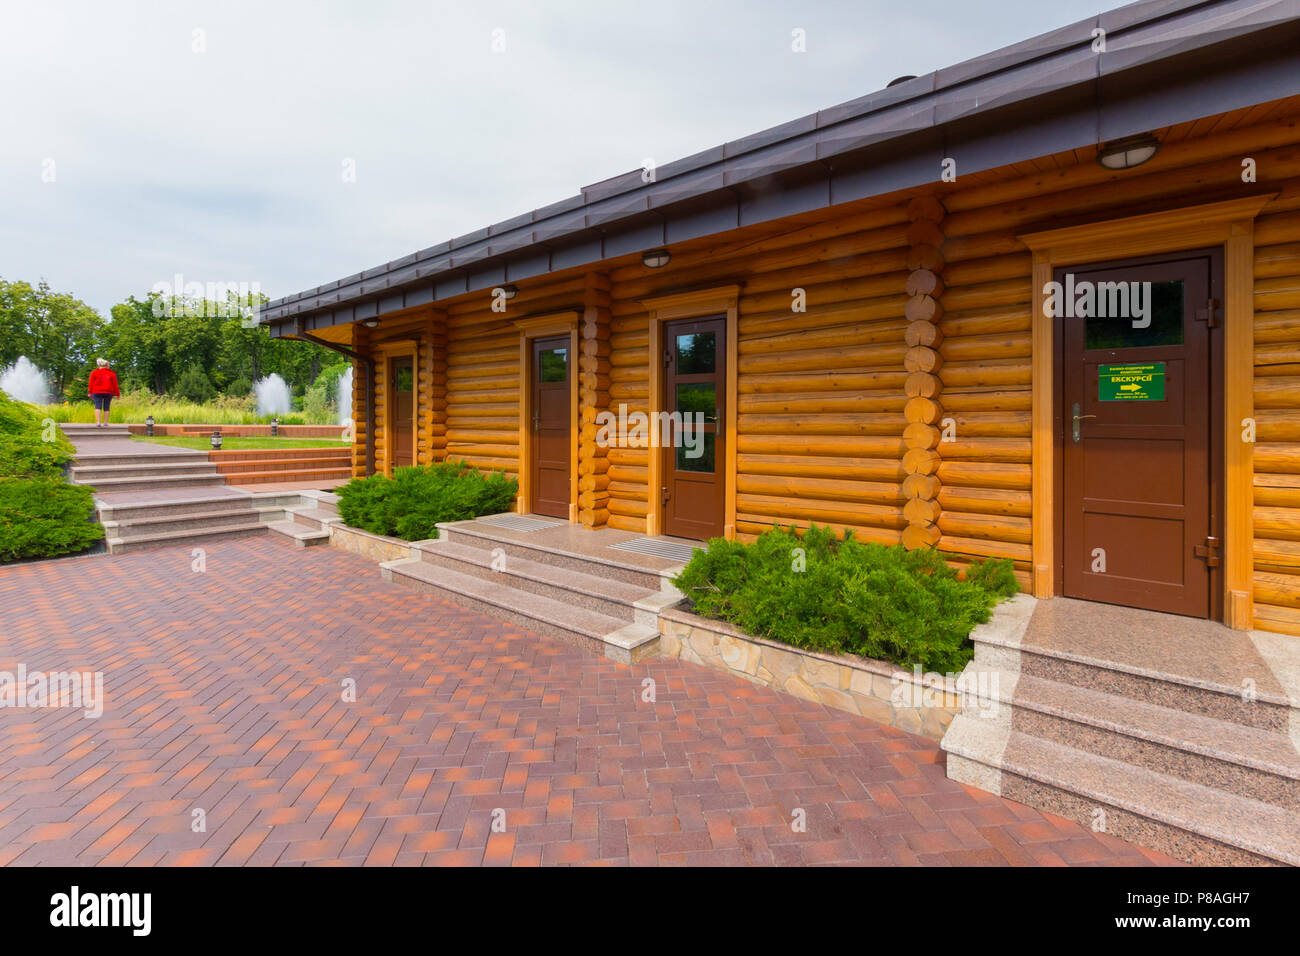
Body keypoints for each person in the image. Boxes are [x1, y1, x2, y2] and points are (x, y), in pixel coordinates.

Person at [87, 358, 120, 427]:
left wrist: (90, 392)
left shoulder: (94, 372)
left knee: (97, 406)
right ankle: (105, 422)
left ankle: (98, 422)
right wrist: (117, 394)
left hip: (96, 392)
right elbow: (115, 384)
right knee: (107, 407)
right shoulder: (111, 373)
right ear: (106, 364)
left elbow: (91, 383)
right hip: (108, 392)